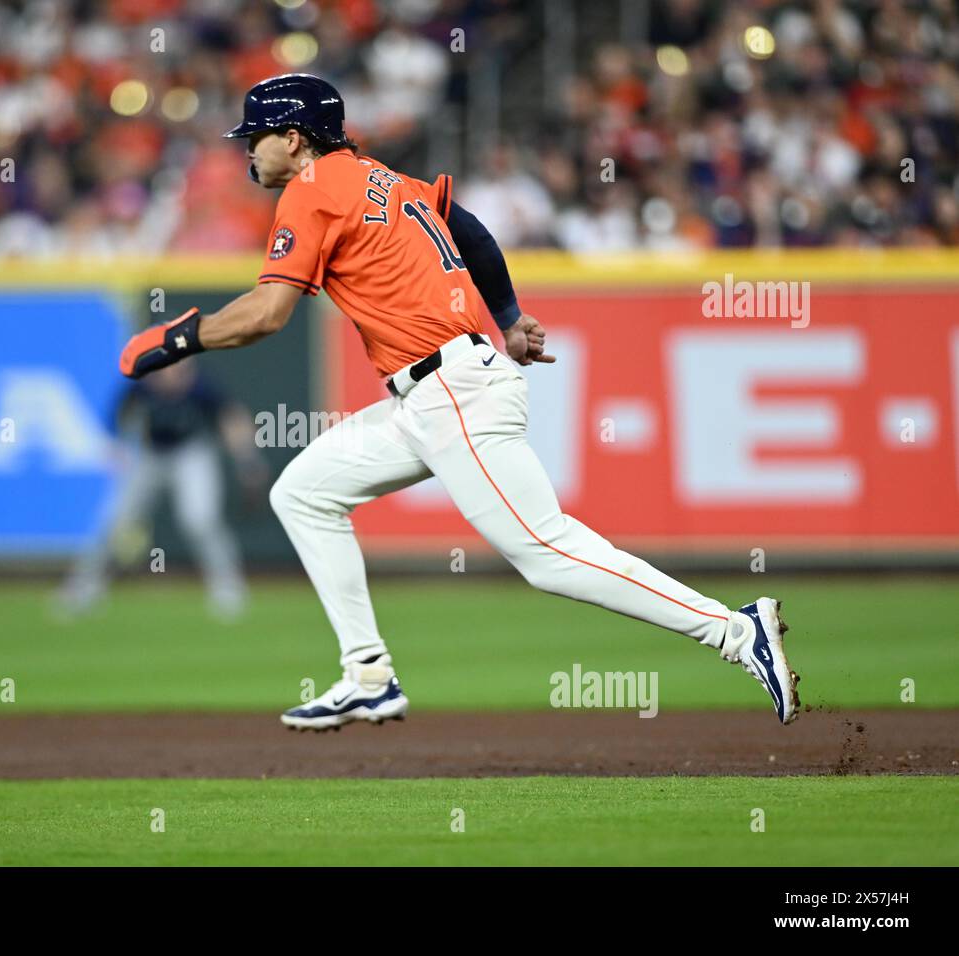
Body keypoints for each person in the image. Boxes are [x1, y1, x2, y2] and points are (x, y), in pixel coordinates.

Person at [119, 73, 801, 730]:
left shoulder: (311, 187)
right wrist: (506, 317)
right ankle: (367, 675)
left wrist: (181, 339)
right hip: (428, 398)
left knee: (545, 551)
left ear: (295, 139)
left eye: (259, 135)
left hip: (454, 394)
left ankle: (736, 632)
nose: (249, 148)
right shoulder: (388, 177)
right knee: (303, 493)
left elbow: (268, 314)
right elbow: (467, 226)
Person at [59, 359, 263, 620]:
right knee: (113, 521)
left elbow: (231, 417)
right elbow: (116, 419)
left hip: (191, 454)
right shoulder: (141, 383)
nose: (174, 372)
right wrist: (116, 447)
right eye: (166, 365)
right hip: (149, 455)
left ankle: (228, 588)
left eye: (180, 365)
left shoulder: (201, 385)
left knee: (200, 521)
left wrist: (247, 459)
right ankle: (83, 588)